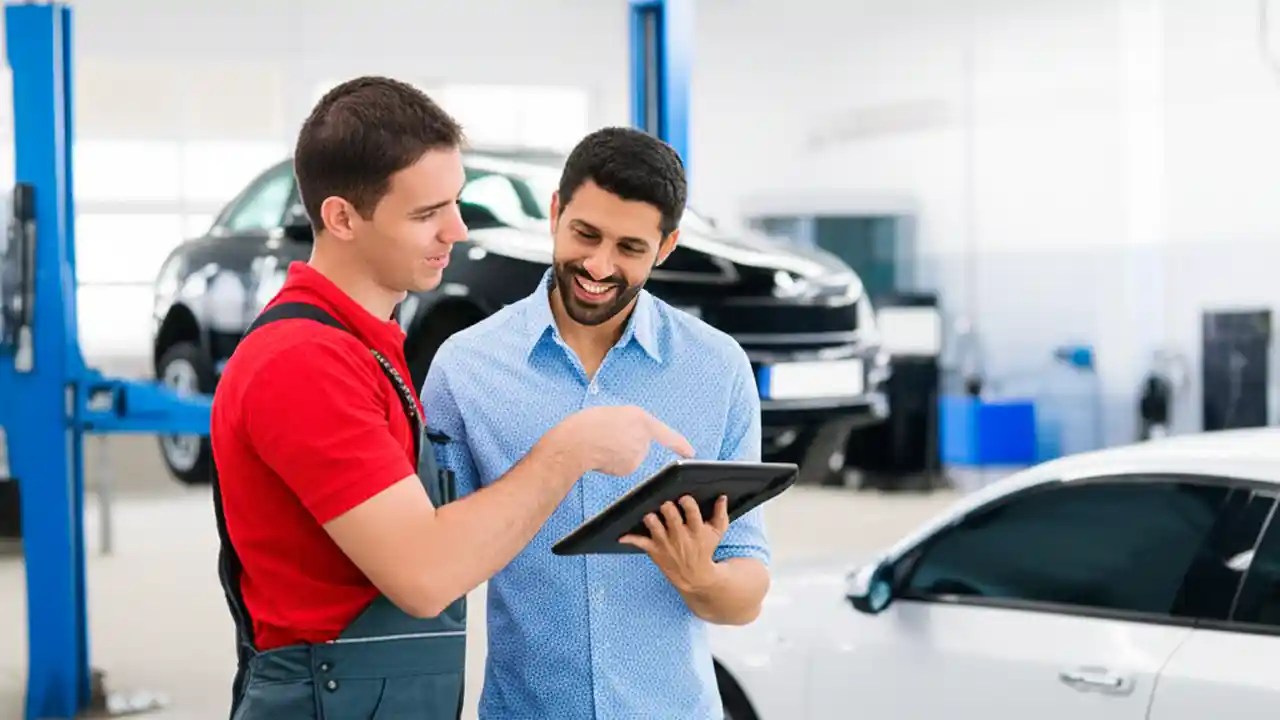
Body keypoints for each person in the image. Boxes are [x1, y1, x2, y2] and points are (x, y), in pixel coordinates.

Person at [208, 78, 694, 720]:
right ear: (342, 217)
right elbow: (425, 575)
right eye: (426, 213)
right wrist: (570, 448)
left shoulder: (363, 348)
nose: (458, 231)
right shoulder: (304, 363)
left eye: (455, 202)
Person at [422, 126, 772, 720]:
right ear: (555, 213)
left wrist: (699, 579)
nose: (599, 265)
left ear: (666, 247)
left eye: (630, 248)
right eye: (585, 234)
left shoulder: (718, 370)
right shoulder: (466, 368)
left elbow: (746, 590)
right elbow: (434, 558)